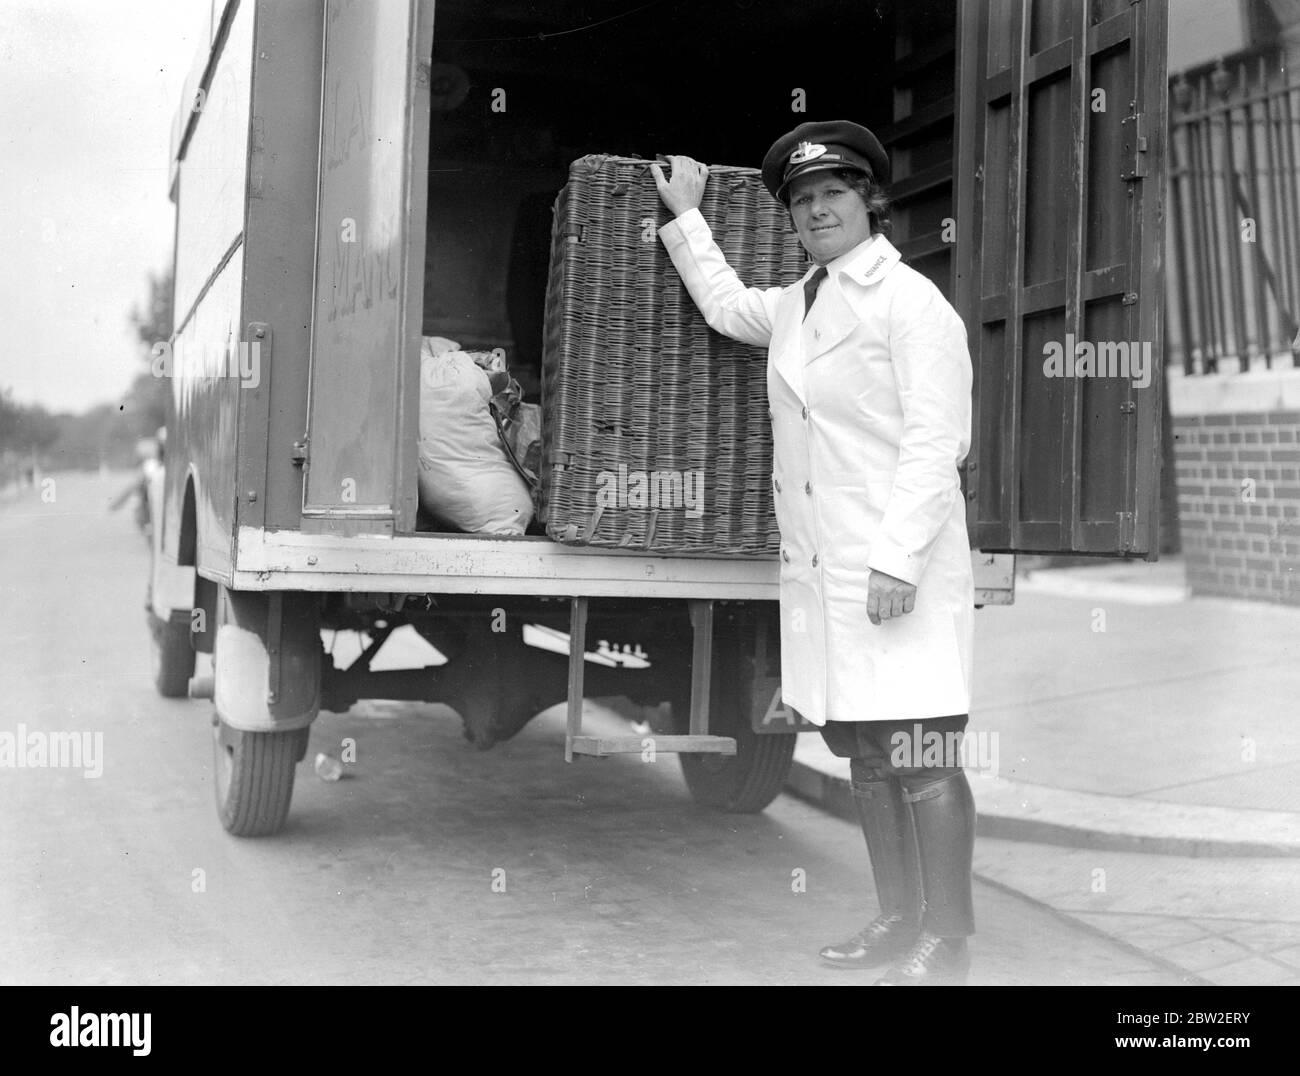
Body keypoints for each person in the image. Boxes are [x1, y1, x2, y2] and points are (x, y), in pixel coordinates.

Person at [652, 120, 977, 986]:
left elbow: (935, 444)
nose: (817, 211)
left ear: (870, 201)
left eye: (833, 193)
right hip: (826, 577)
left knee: (922, 754)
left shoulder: (912, 305)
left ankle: (947, 941)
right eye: (801, 201)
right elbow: (724, 305)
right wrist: (685, 214)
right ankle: (896, 918)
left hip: (893, 572)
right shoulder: (799, 303)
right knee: (869, 756)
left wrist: (898, 563)